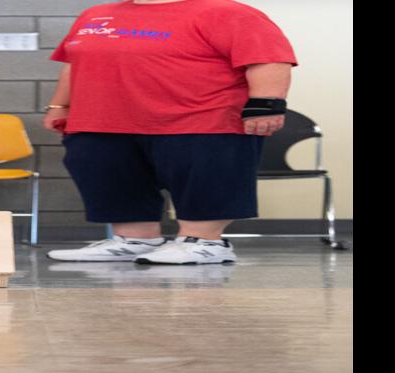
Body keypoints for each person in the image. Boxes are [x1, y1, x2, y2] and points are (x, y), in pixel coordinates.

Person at [44, 0, 296, 265]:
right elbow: (74, 63)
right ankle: (134, 240)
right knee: (110, 176)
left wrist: (266, 105)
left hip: (200, 117)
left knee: (204, 178)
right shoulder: (95, 15)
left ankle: (205, 242)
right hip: (103, 119)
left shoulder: (227, 11)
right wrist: (60, 105)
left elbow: (268, 58)